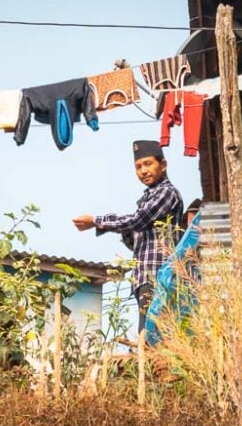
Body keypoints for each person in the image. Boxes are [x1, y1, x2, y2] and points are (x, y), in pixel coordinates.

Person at [73, 140, 183, 336]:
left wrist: (97, 221)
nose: (143, 171)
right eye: (138, 167)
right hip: (143, 277)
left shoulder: (167, 193)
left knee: (153, 335)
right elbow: (134, 235)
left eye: (148, 164)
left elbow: (138, 220)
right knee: (147, 334)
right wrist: (121, 228)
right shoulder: (147, 198)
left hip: (157, 274)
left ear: (163, 165)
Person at [143, 199, 203, 345]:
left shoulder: (194, 234)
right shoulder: (183, 241)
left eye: (194, 215)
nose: (191, 220)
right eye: (190, 215)